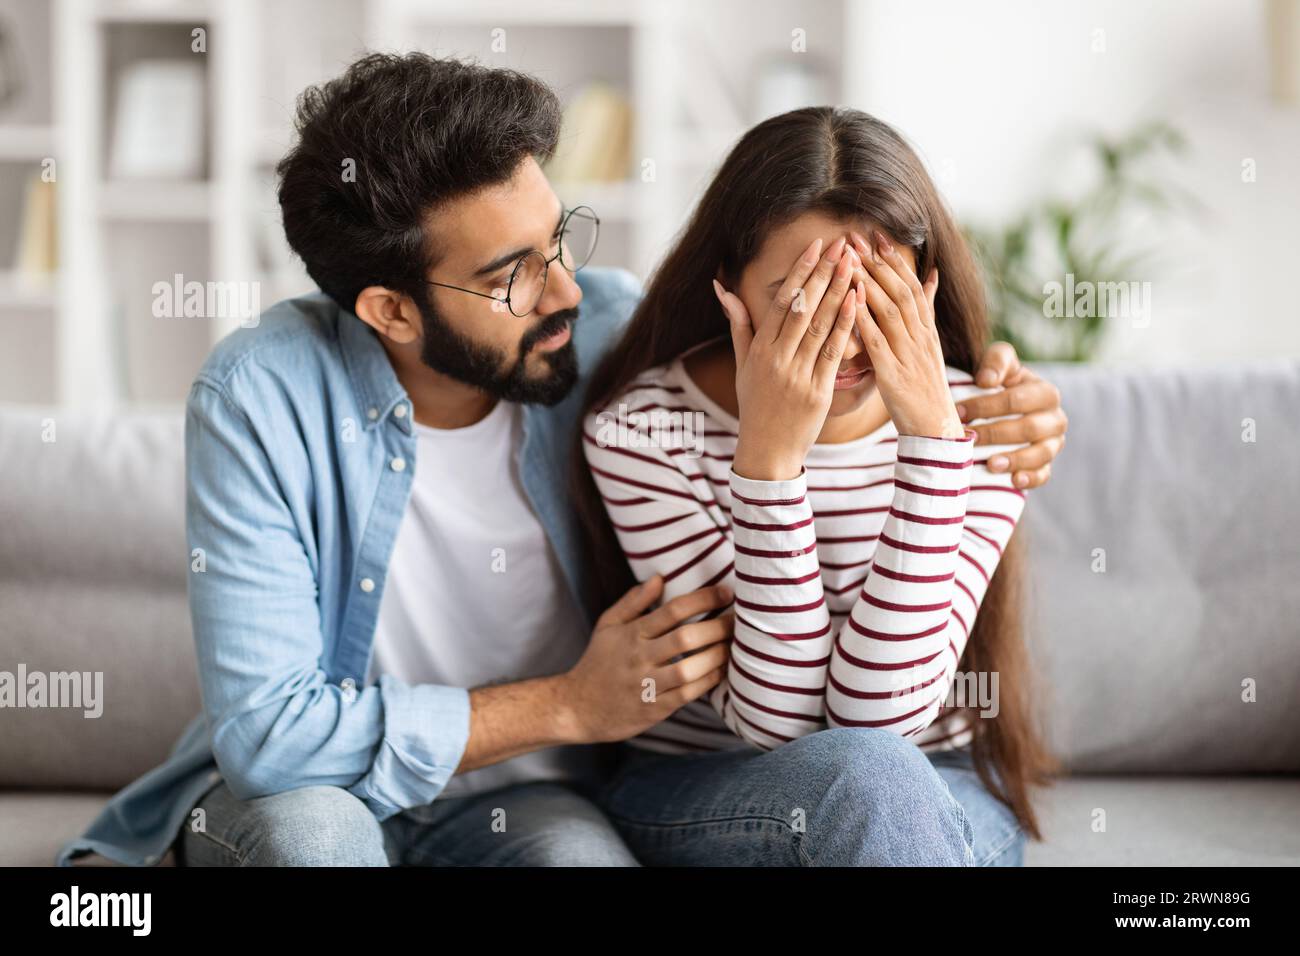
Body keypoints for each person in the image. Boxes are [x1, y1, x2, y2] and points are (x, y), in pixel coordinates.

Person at [56, 55, 1065, 868]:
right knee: (313, 840)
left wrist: (992, 409)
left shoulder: (616, 331)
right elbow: (271, 739)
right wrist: (568, 702)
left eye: (558, 240)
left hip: (541, 795)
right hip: (322, 790)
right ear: (391, 310)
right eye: (510, 276)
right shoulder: (259, 397)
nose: (563, 293)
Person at [577, 106, 1061, 865]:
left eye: (874, 292)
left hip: (933, 780)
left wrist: (934, 443)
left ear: (925, 286)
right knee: (869, 782)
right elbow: (775, 726)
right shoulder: (643, 432)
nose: (843, 329)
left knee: (881, 781)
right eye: (801, 294)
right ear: (727, 287)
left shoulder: (988, 423)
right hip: (711, 781)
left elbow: (879, 722)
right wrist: (768, 462)